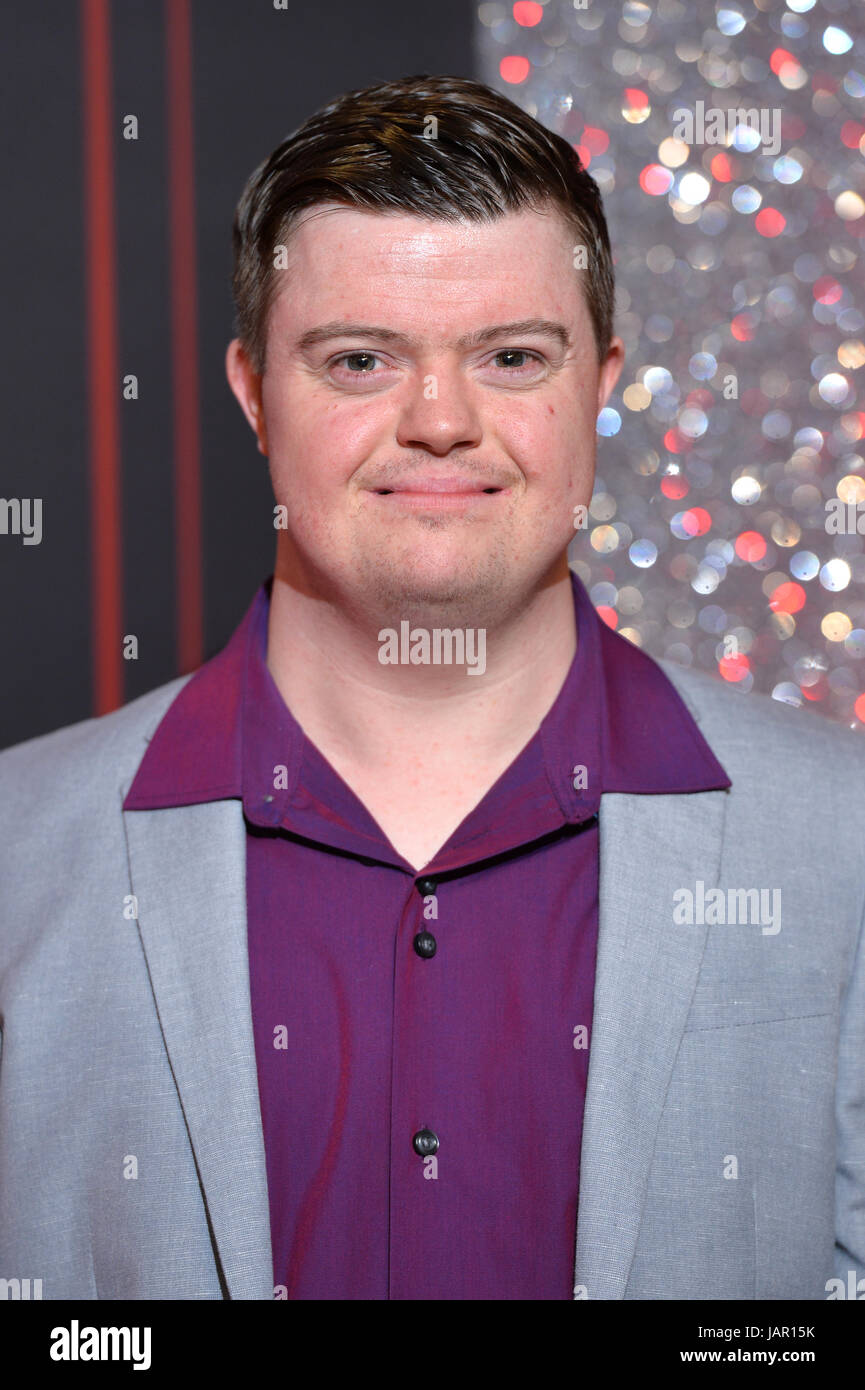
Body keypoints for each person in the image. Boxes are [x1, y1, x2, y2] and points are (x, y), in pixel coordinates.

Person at [0, 73, 863, 1302]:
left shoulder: (842, 842)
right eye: (360, 360)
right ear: (253, 394)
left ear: (600, 383)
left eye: (511, 356)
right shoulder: (16, 857)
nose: (440, 420)